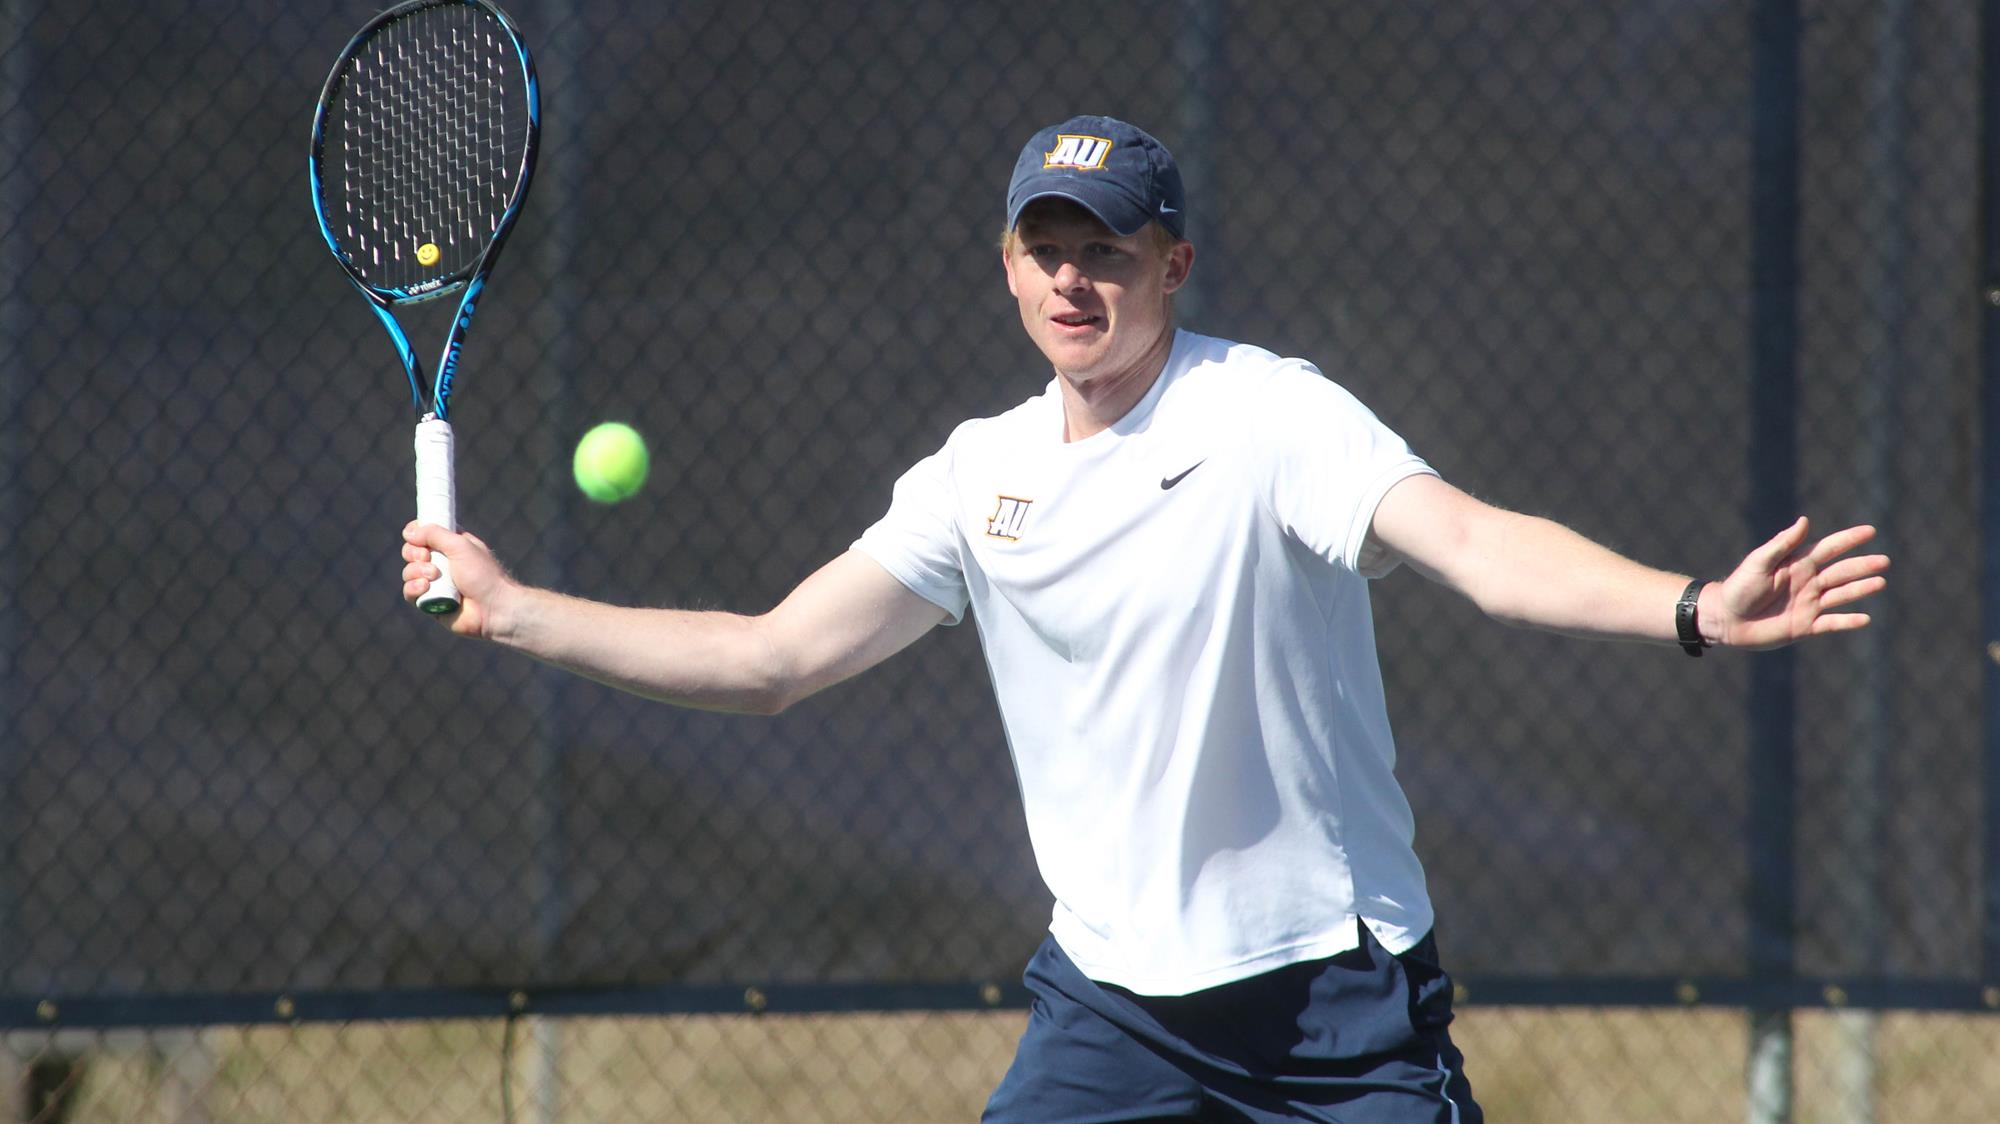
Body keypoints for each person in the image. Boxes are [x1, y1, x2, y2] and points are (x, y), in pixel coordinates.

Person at [400, 115, 1889, 1122]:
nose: (1072, 276)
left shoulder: (1272, 416)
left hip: (1331, 1001)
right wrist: (521, 608)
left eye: (1106, 248)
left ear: (1171, 266)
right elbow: (771, 658)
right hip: (1112, 1004)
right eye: (1045, 246)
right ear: (1006, 267)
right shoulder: (974, 478)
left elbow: (1481, 550)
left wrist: (1689, 606)